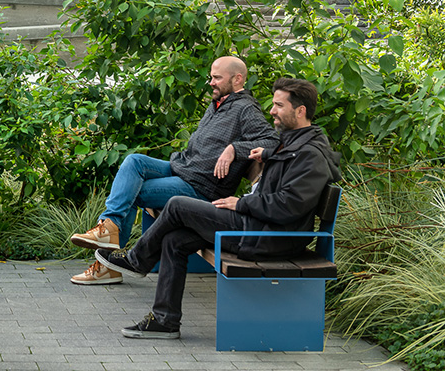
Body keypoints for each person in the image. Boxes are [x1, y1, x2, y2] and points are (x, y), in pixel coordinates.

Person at [96, 78, 342, 339]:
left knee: (178, 205)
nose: (272, 111)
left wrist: (241, 203)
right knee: (175, 240)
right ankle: (165, 321)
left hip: (270, 236)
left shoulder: (310, 155)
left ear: (300, 111)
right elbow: (287, 172)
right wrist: (266, 155)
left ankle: (137, 259)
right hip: (260, 226)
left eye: (279, 106)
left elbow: (289, 205)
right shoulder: (295, 143)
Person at [69, 56, 278, 286]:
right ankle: (108, 228)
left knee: (130, 192)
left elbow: (272, 141)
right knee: (134, 161)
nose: (211, 82)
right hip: (183, 169)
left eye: (217, 78)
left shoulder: (245, 108)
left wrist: (234, 149)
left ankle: (107, 263)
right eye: (211, 77)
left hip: (201, 187)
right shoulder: (219, 103)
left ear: (237, 79)